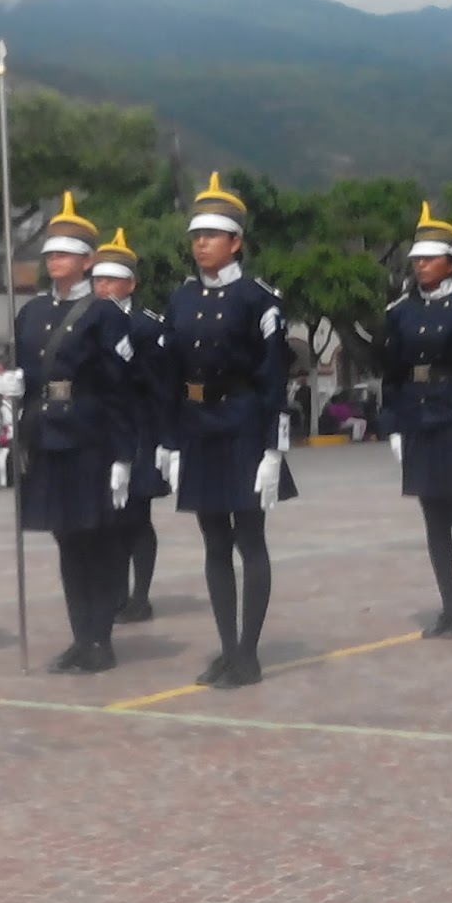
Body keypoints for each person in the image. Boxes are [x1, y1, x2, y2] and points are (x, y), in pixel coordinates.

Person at [160, 173, 297, 688]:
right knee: (213, 541)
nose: (201, 244)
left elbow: (274, 378)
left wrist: (273, 449)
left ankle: (248, 653)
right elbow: (169, 375)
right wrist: (170, 441)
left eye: (212, 235)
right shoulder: (180, 300)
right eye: (196, 235)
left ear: (236, 242)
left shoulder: (258, 300)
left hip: (242, 425)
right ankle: (226, 648)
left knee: (249, 539)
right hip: (198, 426)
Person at [15, 193, 136, 674]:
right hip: (46, 435)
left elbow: (119, 388)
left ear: (88, 261)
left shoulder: (105, 314)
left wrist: (123, 455)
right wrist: (13, 387)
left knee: (95, 539)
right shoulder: (30, 314)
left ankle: (100, 638)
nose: (54, 261)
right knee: (66, 538)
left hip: (90, 436)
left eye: (65, 254)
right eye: (50, 253)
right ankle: (80, 637)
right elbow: (27, 372)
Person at [380, 204, 452, 639]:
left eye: (429, 258)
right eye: (417, 258)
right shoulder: (400, 312)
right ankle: (447, 607)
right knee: (433, 519)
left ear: (451, 262)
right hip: (419, 420)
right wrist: (393, 425)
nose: (420, 265)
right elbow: (392, 375)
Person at [90, 227, 172, 625]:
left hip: (138, 429)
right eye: (98, 279)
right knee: (108, 520)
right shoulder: (85, 321)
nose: (103, 286)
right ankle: (116, 593)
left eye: (111, 279)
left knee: (136, 516)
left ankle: (140, 596)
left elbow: (160, 386)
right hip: (99, 432)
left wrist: (164, 440)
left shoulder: (145, 326)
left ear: (130, 284)